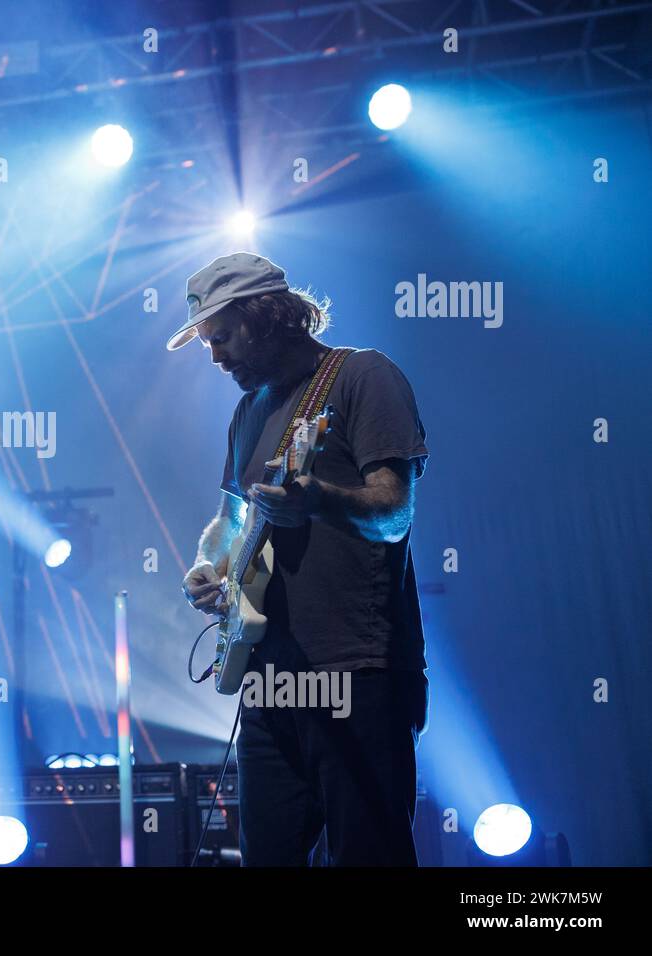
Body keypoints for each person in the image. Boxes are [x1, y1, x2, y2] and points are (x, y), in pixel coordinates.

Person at [172, 252, 430, 866]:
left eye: (223, 336)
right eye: (208, 342)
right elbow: (231, 521)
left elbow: (394, 512)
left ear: (268, 316)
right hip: (269, 676)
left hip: (354, 666)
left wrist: (318, 501)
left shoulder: (362, 377)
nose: (215, 356)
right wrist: (208, 567)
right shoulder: (248, 411)